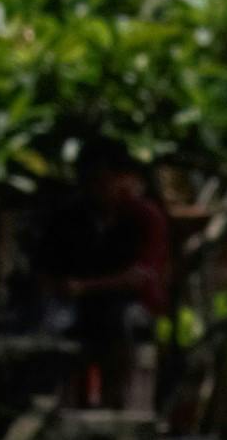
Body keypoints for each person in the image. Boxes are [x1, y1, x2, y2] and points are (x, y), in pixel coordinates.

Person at [40, 148, 176, 414]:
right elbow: (49, 265)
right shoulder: (72, 218)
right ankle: (58, 403)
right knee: (49, 325)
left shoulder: (144, 217)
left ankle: (114, 402)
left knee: (121, 322)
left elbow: (139, 277)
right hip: (75, 303)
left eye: (105, 180)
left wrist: (86, 287)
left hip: (128, 303)